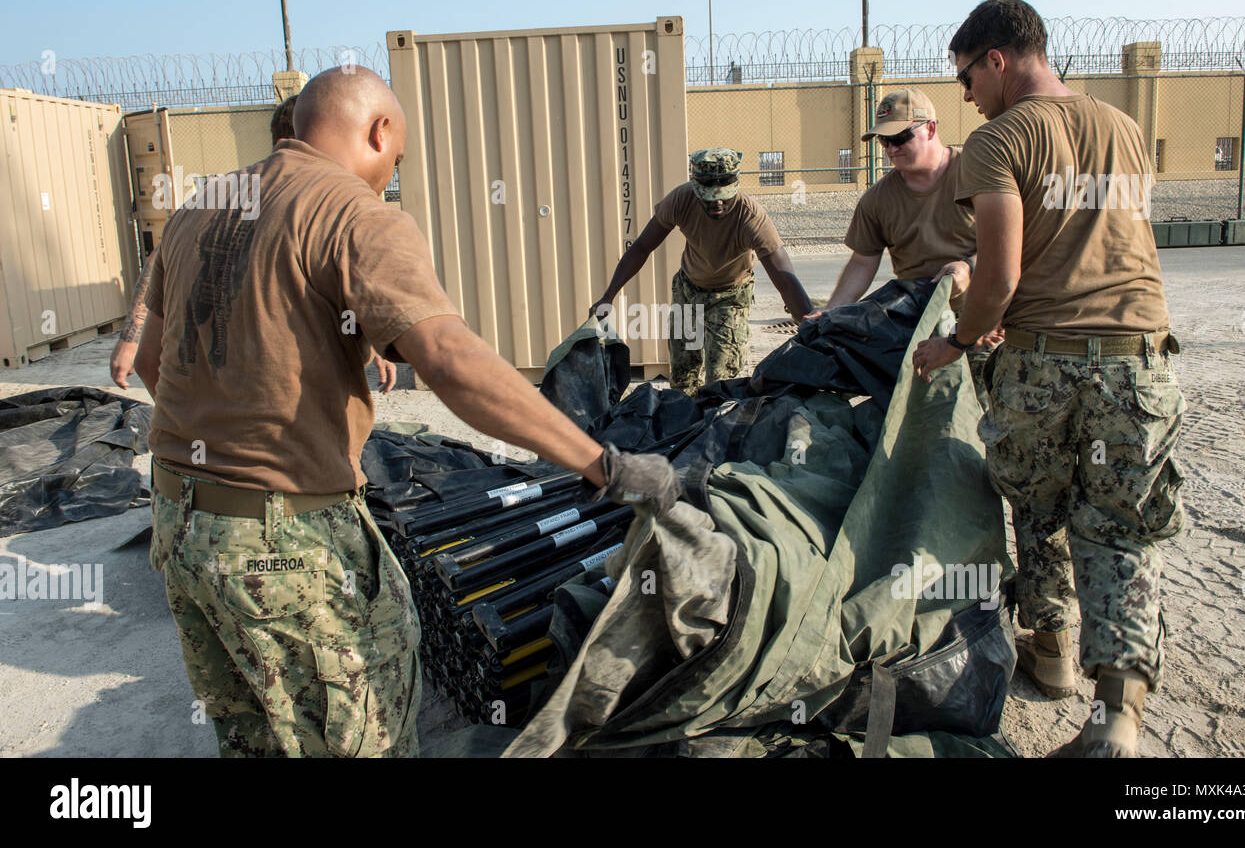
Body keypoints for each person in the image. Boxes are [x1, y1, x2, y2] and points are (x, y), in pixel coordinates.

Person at [132, 66, 679, 757]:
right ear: (379, 129)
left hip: (182, 527)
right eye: (397, 157)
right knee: (367, 735)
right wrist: (604, 463)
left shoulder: (199, 207)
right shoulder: (353, 213)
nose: (391, 173)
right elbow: (450, 359)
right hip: (284, 543)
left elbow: (155, 364)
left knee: (258, 735)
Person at [912, 0, 1185, 757]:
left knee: (1037, 503)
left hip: (1046, 363)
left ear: (997, 59)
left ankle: (1053, 645)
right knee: (1121, 529)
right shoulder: (1126, 129)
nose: (966, 94)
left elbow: (998, 277)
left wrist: (954, 343)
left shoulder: (999, 140)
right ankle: (1116, 718)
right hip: (1138, 360)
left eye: (967, 76)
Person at [111, 94, 397, 393]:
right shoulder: (272, 201)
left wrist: (131, 341)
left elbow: (148, 359)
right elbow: (163, 258)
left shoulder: (227, 196)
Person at [809, 88, 998, 400]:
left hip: (978, 321)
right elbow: (862, 262)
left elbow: (1014, 240)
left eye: (899, 138)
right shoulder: (877, 200)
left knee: (980, 416)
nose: (891, 149)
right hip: (916, 328)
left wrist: (969, 267)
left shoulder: (978, 174)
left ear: (930, 128)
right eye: (884, 141)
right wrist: (832, 312)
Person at [591, 147, 812, 395]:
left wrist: (809, 322)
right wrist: (608, 296)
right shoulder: (681, 200)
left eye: (724, 195)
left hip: (730, 297)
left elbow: (784, 278)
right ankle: (686, 427)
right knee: (683, 377)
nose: (717, 202)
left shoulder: (751, 218)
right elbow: (642, 247)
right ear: (695, 187)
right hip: (689, 290)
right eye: (708, 195)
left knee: (721, 381)